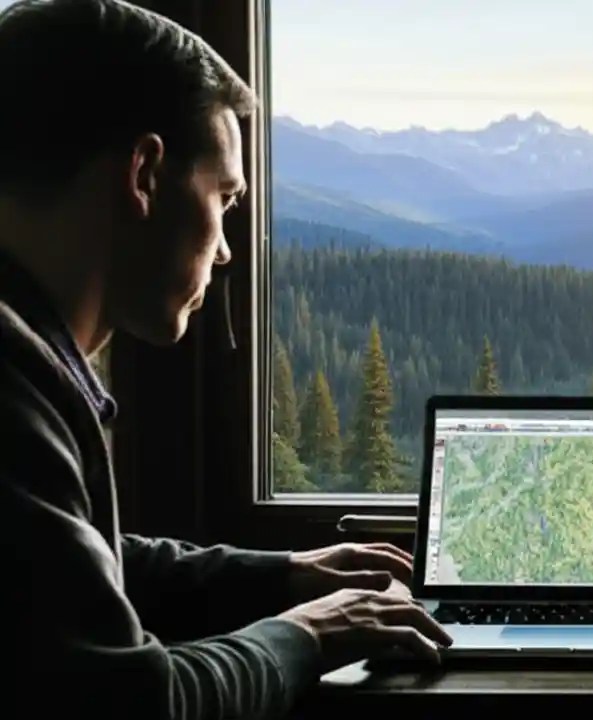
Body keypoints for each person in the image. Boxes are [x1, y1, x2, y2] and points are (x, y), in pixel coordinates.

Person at [0, 1, 452, 717]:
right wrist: (309, 633)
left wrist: (283, 574)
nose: (228, 248)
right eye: (225, 198)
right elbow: (135, 704)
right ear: (144, 175)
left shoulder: (25, 359)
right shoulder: (11, 399)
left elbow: (69, 567)